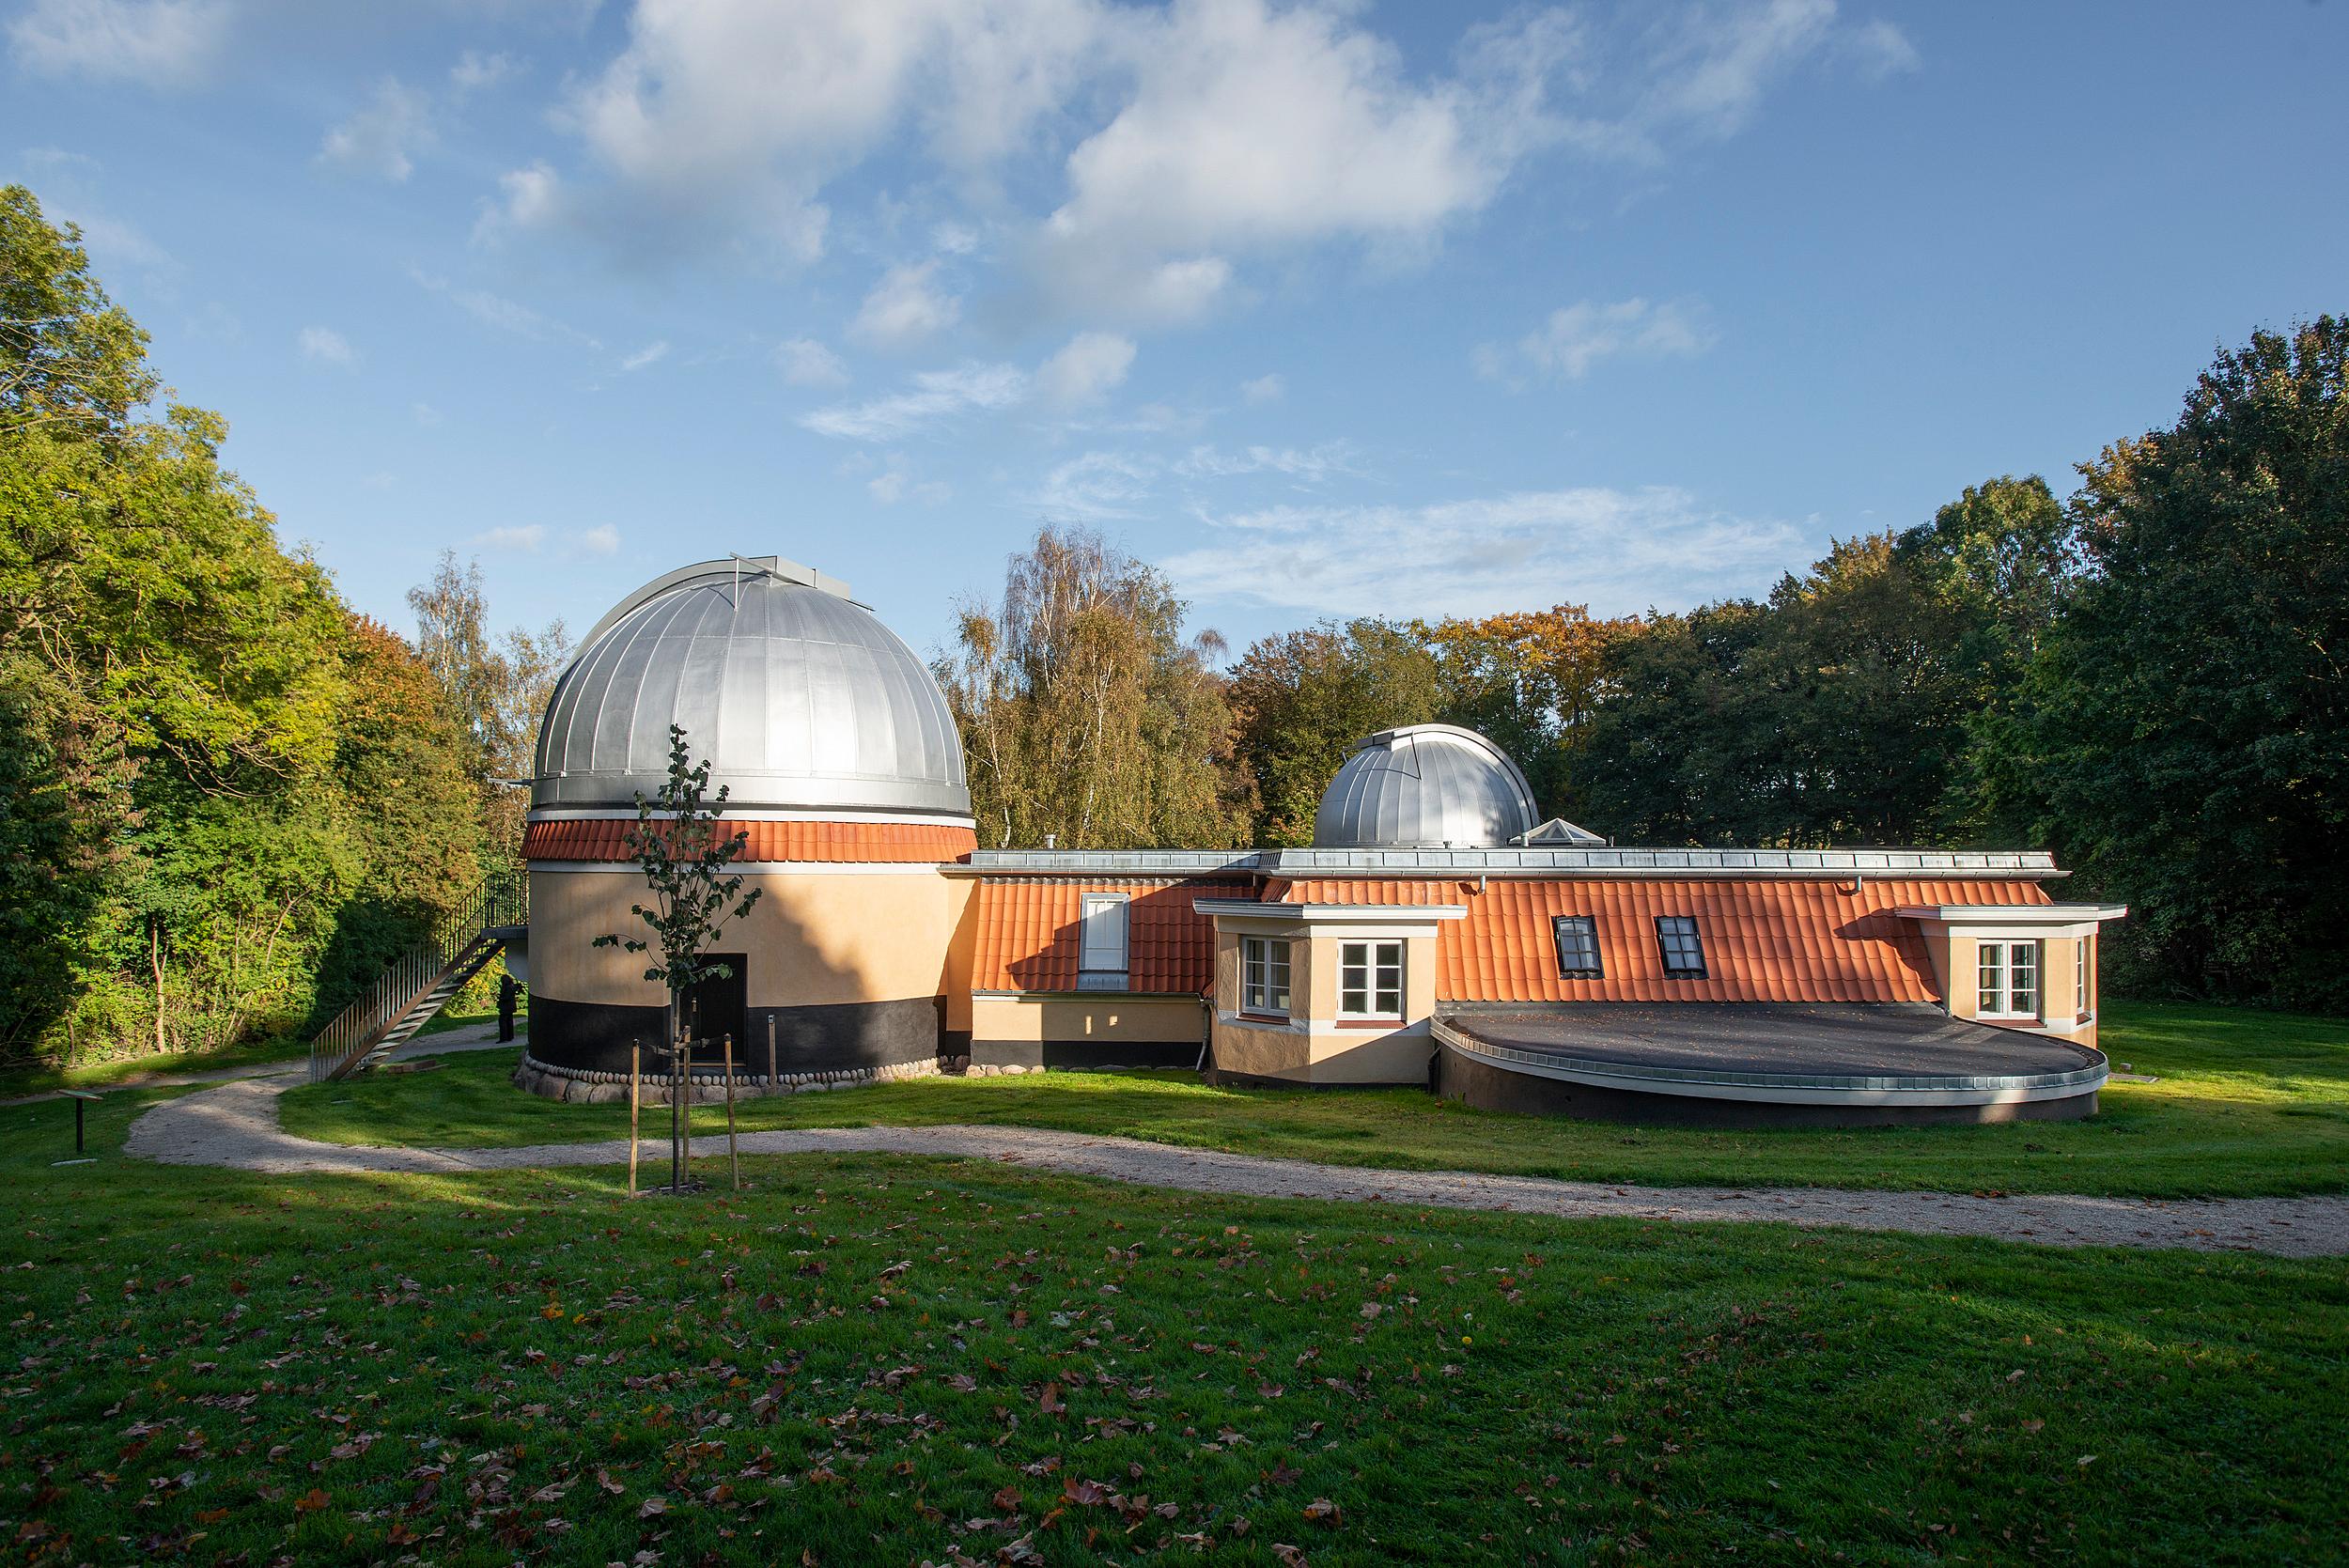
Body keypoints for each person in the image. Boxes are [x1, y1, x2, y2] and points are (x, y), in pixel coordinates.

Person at [497, 972, 520, 1043]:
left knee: (503, 1022)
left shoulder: (507, 987)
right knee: (509, 1021)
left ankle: (504, 1038)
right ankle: (510, 1036)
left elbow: (506, 997)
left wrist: (500, 998)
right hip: (510, 1007)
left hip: (505, 1007)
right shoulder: (512, 986)